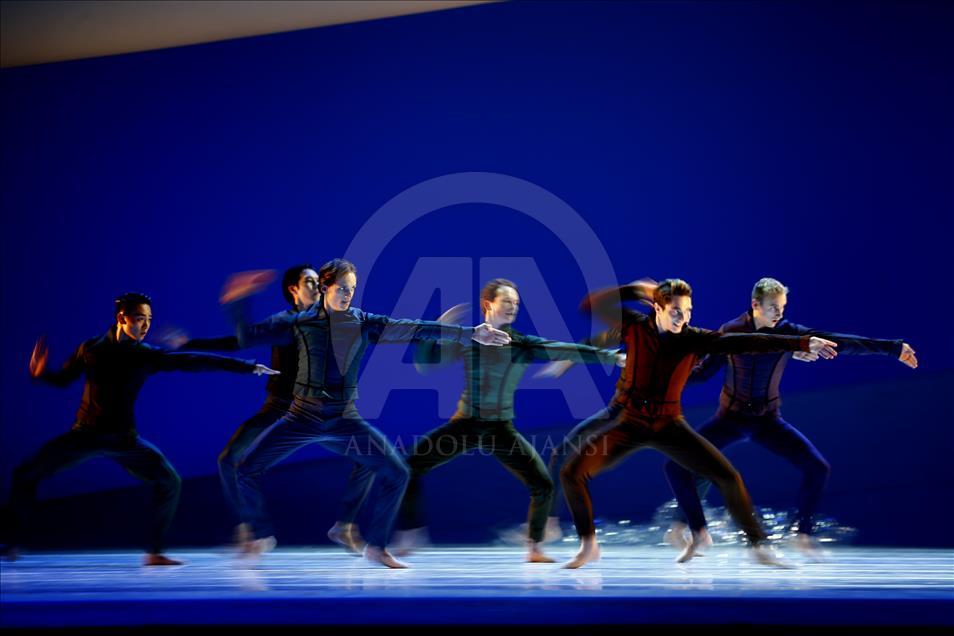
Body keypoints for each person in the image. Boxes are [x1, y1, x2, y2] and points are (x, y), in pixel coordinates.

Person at [223, 259, 511, 568]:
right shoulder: (299, 322)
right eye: (342, 289)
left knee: (397, 472)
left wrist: (470, 333)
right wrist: (237, 300)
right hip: (301, 418)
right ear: (324, 288)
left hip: (343, 420)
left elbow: (412, 329)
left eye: (352, 289)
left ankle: (376, 546)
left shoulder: (361, 322)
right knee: (245, 470)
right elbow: (248, 337)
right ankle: (261, 534)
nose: (347, 295)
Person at [551, 278, 838, 569]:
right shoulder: (635, 326)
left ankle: (759, 546)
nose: (683, 317)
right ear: (657, 308)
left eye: (688, 311)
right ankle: (589, 544)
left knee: (728, 478)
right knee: (572, 473)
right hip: (631, 424)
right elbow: (591, 305)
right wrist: (635, 290)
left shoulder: (694, 338)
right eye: (676, 310)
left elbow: (748, 341)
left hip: (669, 426)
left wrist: (801, 342)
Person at [6, 292, 277, 566]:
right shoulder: (91, 349)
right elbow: (63, 380)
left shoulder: (145, 355)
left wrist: (247, 367)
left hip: (124, 439)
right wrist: (42, 374)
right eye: (140, 319)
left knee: (169, 481)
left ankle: (154, 552)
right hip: (85, 434)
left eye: (149, 319)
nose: (146, 326)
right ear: (122, 318)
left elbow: (192, 361)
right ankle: (11, 543)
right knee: (25, 474)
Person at [662, 277, 917, 561]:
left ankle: (803, 534)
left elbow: (840, 342)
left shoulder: (788, 334)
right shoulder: (731, 332)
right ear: (755, 305)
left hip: (766, 421)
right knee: (684, 466)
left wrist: (893, 348)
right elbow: (704, 372)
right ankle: (681, 526)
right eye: (773, 307)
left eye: (782, 307)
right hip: (730, 418)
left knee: (817, 467)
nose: (779, 313)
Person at [395, 279, 624, 563]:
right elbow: (425, 363)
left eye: (516, 303)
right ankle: (410, 534)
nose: (513, 307)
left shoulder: (521, 344)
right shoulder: (469, 338)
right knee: (407, 468)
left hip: (500, 428)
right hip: (465, 424)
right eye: (507, 302)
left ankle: (534, 548)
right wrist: (437, 331)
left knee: (542, 484)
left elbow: (565, 349)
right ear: (488, 304)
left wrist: (609, 357)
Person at [176, 264, 373, 554]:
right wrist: (190, 343)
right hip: (281, 407)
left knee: (369, 455)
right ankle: (253, 530)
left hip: (319, 412)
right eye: (310, 282)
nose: (318, 287)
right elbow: (241, 340)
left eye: (320, 282)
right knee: (229, 459)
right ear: (294, 290)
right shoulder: (285, 322)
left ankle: (345, 526)